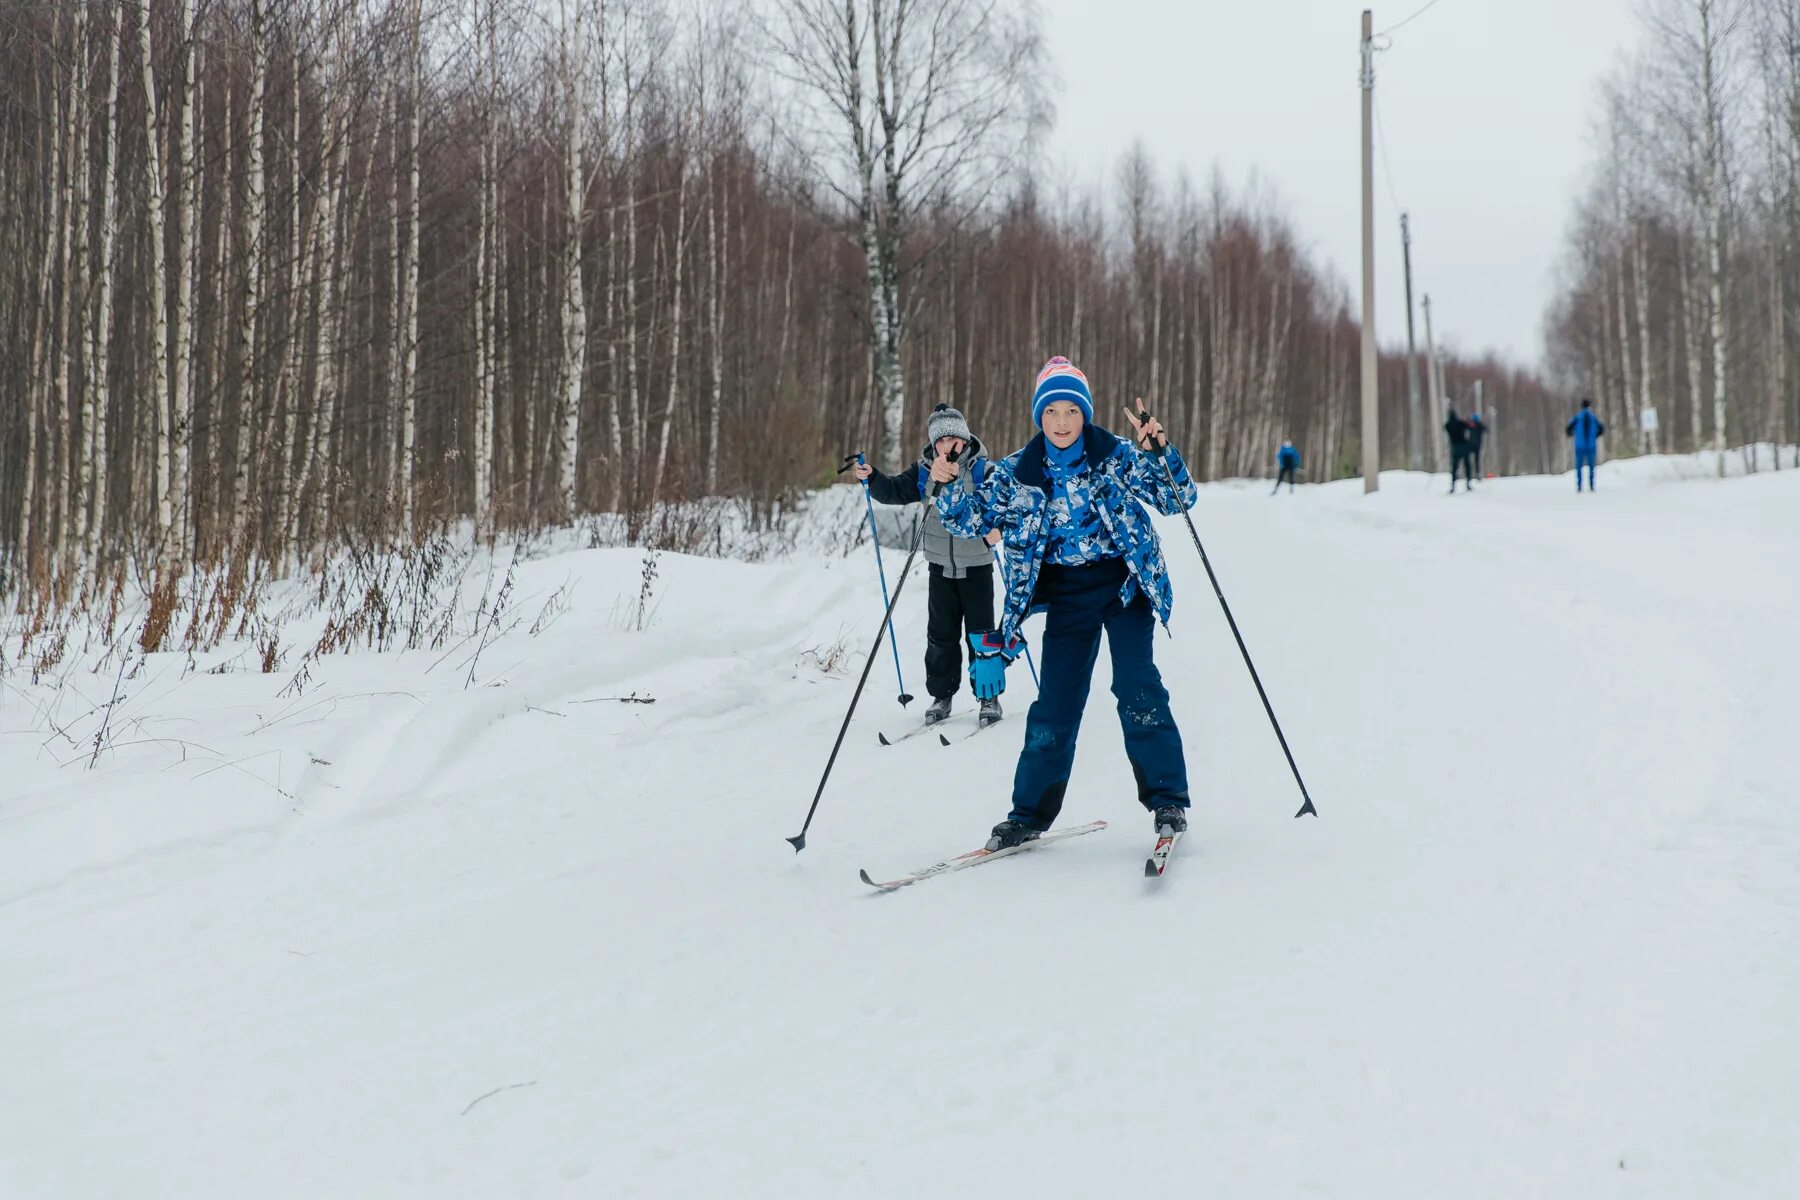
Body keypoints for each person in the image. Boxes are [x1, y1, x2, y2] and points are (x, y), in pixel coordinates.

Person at [931, 355, 1197, 851]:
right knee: (1055, 705)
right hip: (1069, 597)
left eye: (1070, 411)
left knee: (1138, 688)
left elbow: (1179, 499)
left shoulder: (1116, 455)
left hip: (1124, 586)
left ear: (1085, 414)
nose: (1061, 422)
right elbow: (971, 522)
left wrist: (1159, 452)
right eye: (1051, 412)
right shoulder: (1018, 472)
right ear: (1039, 416)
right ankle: (1027, 814)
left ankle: (1168, 801)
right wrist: (946, 486)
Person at [854, 404, 1005, 726]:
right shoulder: (924, 471)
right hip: (939, 566)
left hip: (977, 566)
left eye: (954, 438)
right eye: (941, 439)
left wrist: (997, 528)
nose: (948, 445)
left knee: (982, 637)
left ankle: (988, 696)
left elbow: (1004, 508)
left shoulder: (984, 471)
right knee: (940, 636)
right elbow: (893, 491)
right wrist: (873, 478)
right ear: (933, 445)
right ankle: (942, 694)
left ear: (965, 440)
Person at [1566, 398, 1605, 492]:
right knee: (1591, 466)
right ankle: (1591, 485)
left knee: (1579, 466)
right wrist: (1595, 436)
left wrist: (1573, 435)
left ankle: (1579, 486)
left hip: (1579, 446)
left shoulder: (1577, 417)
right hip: (1591, 446)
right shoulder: (1593, 417)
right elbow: (1601, 428)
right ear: (1589, 406)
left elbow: (1568, 429)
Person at [1444, 407, 1475, 492]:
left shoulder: (1448, 425)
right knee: (1467, 465)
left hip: (1454, 448)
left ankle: (1453, 486)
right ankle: (1468, 483)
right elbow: (1470, 426)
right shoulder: (1460, 423)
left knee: (1454, 467)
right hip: (1464, 446)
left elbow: (1446, 428)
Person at [1468, 411, 1488, 476]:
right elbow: (1486, 430)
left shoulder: (1471, 425)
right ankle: (1477, 473)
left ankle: (1470, 473)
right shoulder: (1480, 425)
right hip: (1478, 445)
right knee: (1477, 460)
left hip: (1471, 444)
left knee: (1469, 459)